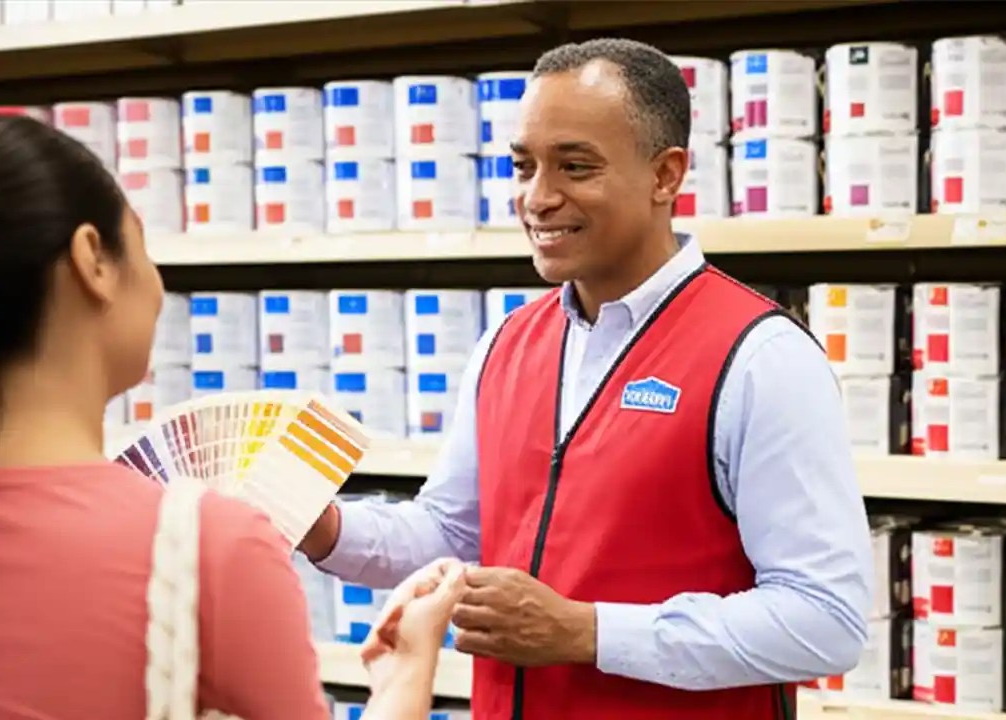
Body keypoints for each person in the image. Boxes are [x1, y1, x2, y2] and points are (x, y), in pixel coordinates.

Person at [301, 38, 873, 719]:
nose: (538, 198)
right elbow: (451, 534)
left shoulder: (761, 358)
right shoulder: (505, 345)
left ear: (666, 176)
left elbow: (826, 621)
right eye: (523, 166)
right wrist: (322, 526)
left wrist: (585, 632)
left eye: (575, 166)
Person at [0, 115, 452, 720]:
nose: (157, 284)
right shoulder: (205, 549)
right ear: (92, 262)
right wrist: (406, 677)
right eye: (143, 243)